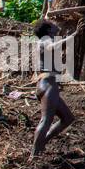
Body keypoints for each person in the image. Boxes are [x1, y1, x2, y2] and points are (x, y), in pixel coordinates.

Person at [31, 20, 78, 158]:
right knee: (46, 120)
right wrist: (73, 35)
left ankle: (41, 143)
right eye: (52, 24)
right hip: (47, 85)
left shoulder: (48, 40)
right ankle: (34, 155)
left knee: (68, 118)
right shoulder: (45, 40)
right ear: (48, 30)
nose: (55, 24)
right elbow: (53, 47)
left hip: (49, 84)